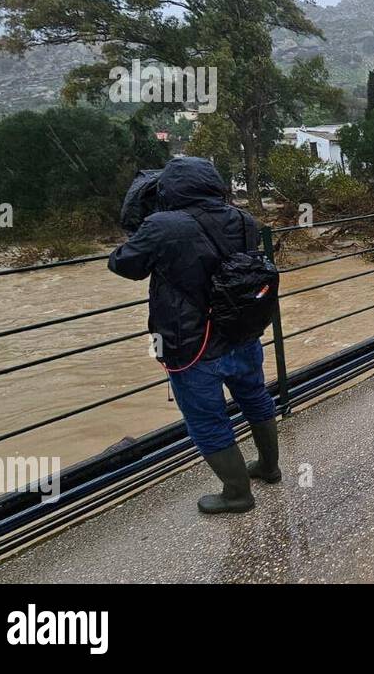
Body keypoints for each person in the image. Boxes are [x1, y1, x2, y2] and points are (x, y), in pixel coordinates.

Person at [109, 157, 281, 514]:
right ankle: (269, 467)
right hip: (242, 333)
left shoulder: (162, 225)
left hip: (192, 343)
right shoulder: (243, 219)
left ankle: (237, 493)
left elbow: (124, 264)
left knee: (207, 419)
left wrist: (138, 224)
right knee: (255, 398)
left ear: (171, 189)